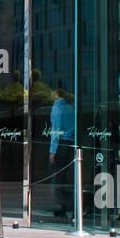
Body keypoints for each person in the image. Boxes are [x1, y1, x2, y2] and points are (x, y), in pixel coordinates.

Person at [48, 89, 75, 218]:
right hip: (71, 144)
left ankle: (61, 206)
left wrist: (52, 150)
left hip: (61, 145)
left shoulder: (57, 107)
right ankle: (70, 205)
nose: (50, 95)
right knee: (68, 177)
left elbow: (56, 129)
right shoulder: (70, 108)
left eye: (51, 92)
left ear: (56, 94)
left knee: (58, 177)